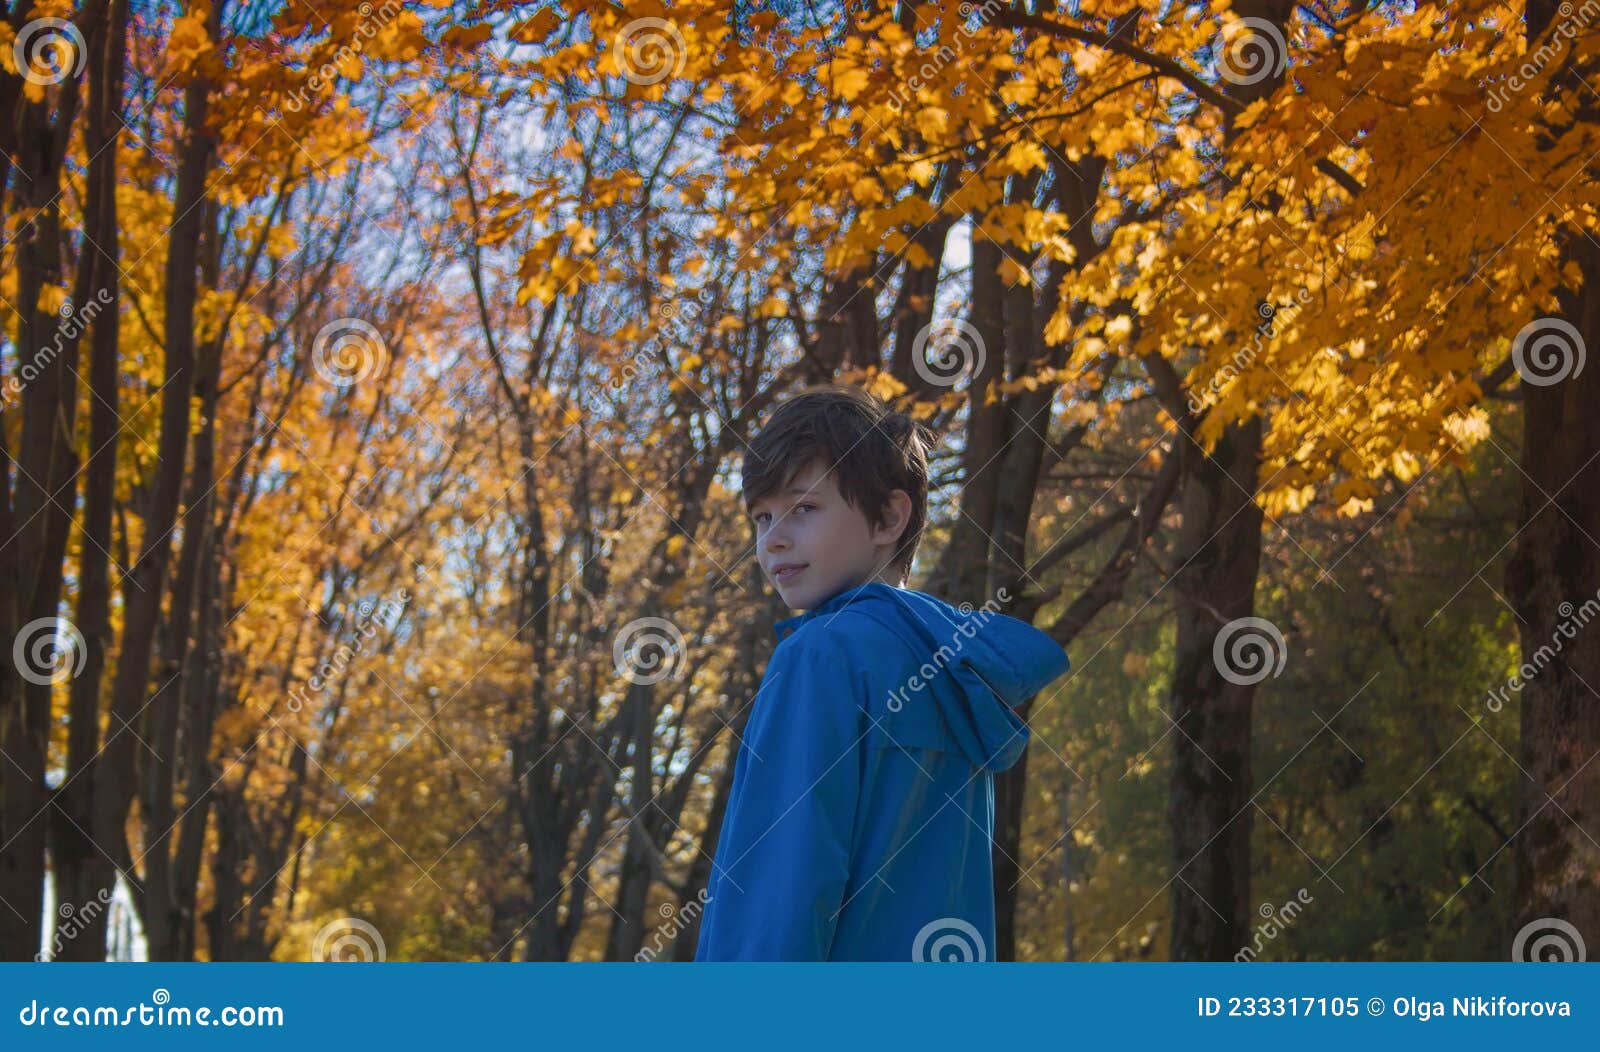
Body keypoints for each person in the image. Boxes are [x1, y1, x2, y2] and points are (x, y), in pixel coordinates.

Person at [694, 383, 1072, 961]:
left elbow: (782, 887)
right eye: (762, 517)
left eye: (803, 508)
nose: (773, 539)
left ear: (889, 518)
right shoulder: (953, 670)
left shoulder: (821, 656)